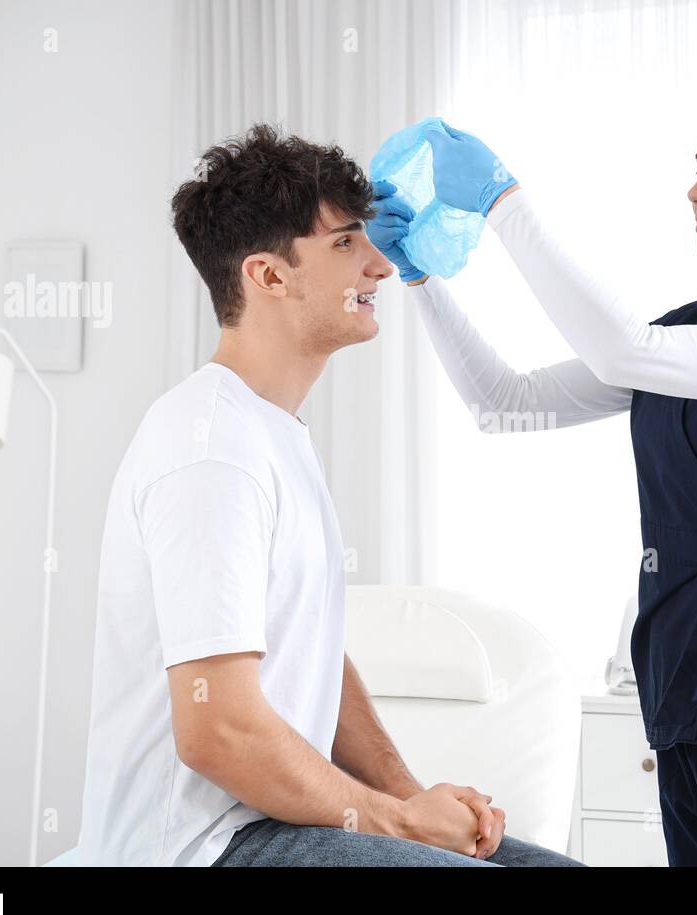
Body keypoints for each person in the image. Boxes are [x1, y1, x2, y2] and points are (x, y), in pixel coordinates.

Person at [368, 90, 697, 866]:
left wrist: (505, 201)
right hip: (687, 698)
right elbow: (506, 405)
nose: (696, 191)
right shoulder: (686, 332)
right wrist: (419, 280)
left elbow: (622, 351)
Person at [78, 123, 583, 868]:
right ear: (268, 276)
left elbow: (315, 654)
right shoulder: (210, 449)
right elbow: (217, 732)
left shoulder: (274, 432)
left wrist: (410, 798)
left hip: (273, 825)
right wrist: (403, 829)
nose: (380, 265)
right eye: (347, 244)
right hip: (204, 848)